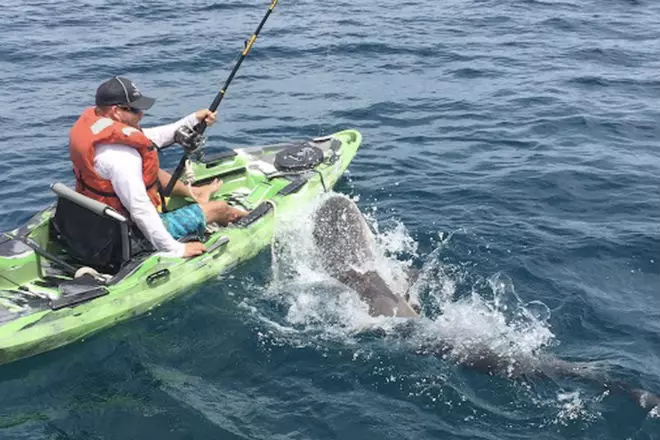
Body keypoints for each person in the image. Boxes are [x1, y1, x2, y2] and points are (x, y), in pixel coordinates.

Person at [69, 76, 247, 258]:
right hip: (126, 237)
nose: (142, 115)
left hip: (96, 225)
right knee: (220, 208)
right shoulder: (122, 158)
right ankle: (246, 217)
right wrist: (176, 249)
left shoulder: (98, 127)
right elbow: (140, 210)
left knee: (152, 168)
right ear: (116, 111)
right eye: (136, 110)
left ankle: (196, 193)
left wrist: (192, 120)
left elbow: (149, 137)